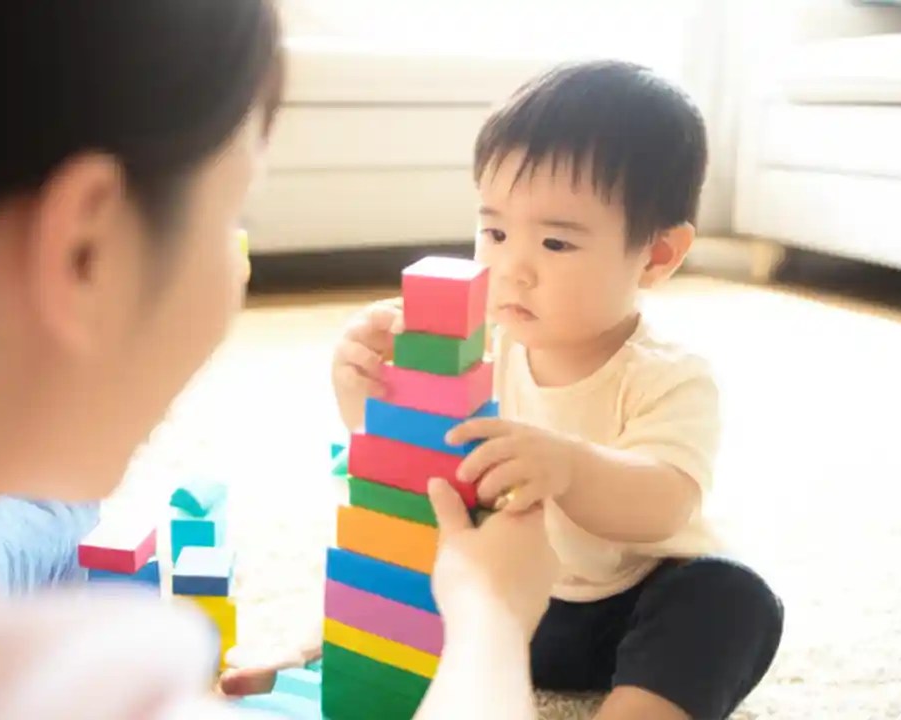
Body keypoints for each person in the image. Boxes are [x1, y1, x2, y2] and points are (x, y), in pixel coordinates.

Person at [0, 3, 558, 718]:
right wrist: (488, 620)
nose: (238, 271)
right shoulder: (57, 690)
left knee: (53, 515)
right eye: (234, 220)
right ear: (86, 253)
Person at [331, 61, 785, 719]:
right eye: (494, 232)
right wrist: (366, 387)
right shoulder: (480, 351)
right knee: (396, 549)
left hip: (627, 607)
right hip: (500, 600)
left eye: (554, 242)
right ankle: (332, 655)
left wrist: (571, 467)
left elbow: (665, 502)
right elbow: (414, 469)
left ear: (656, 255)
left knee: (730, 599)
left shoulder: (668, 376)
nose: (511, 268)